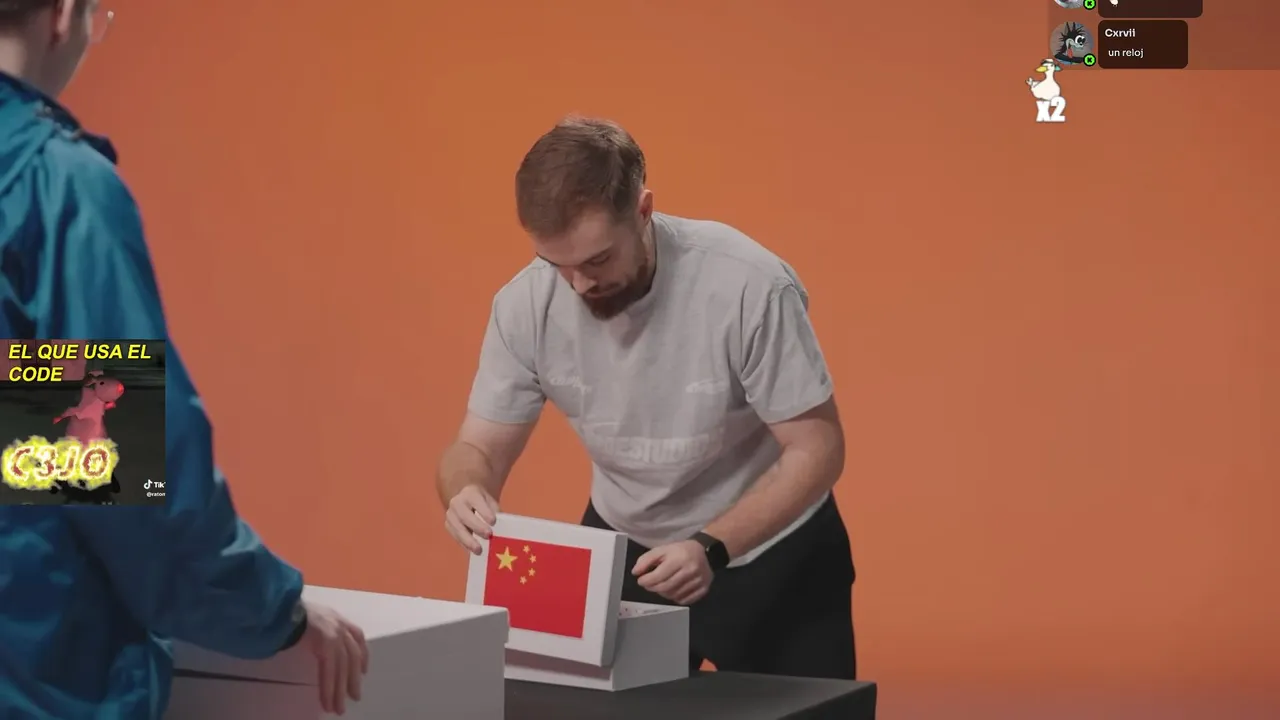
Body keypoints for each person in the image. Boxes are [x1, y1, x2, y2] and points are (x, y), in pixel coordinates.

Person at [0, 2, 368, 717]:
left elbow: (33, 435)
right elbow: (107, 467)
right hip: (39, 675)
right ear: (65, 15)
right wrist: (278, 611)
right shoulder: (53, 186)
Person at [437, 116, 857, 679]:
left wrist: (712, 545)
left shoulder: (748, 285)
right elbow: (477, 448)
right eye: (557, 265)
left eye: (597, 260)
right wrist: (465, 489)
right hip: (627, 549)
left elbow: (818, 448)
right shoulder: (524, 306)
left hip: (772, 553)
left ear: (643, 210)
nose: (579, 285)